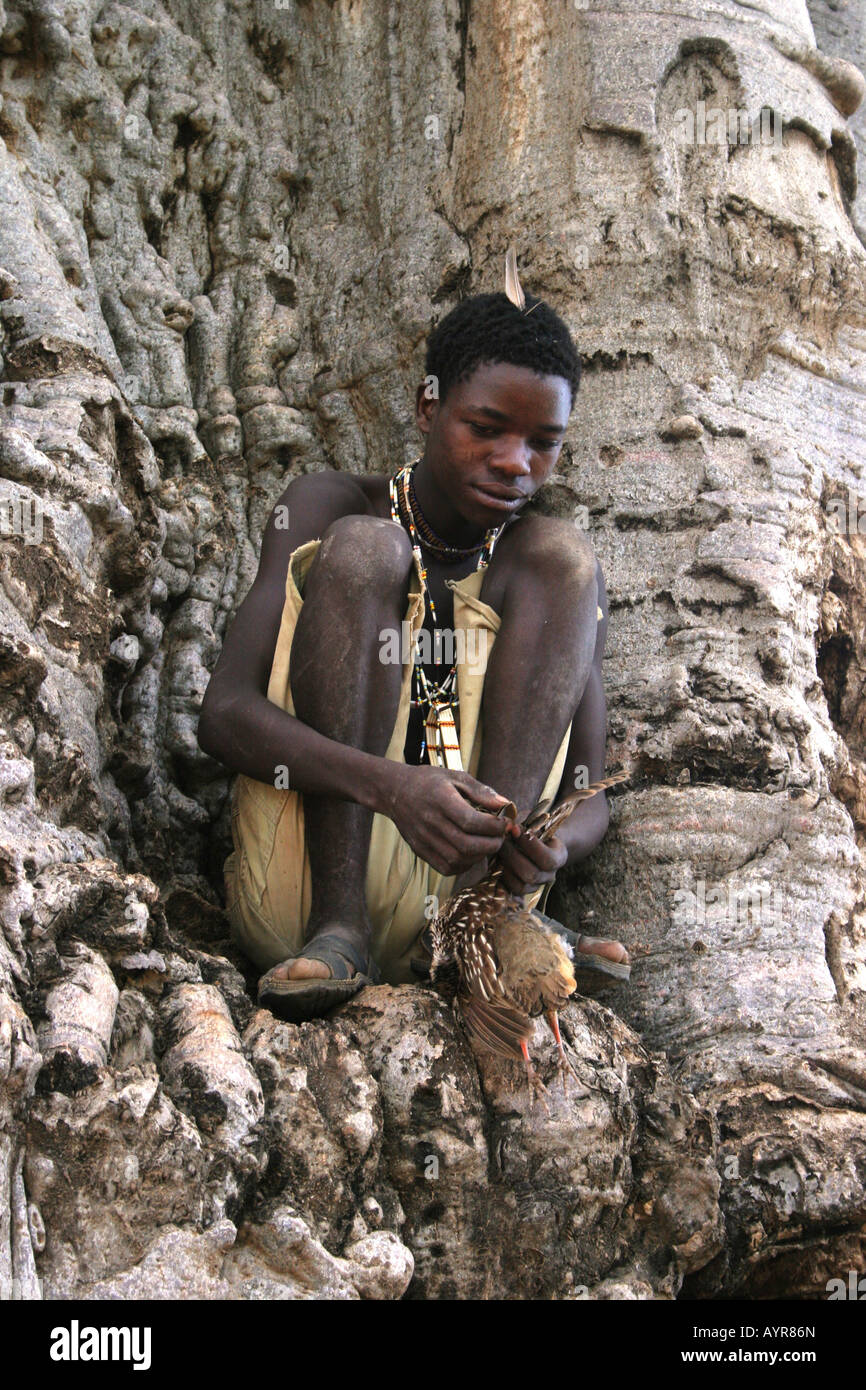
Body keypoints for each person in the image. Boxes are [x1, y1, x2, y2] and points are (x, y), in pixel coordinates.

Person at [197, 276, 629, 1022]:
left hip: (477, 904)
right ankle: (344, 928)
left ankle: (488, 923)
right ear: (429, 407)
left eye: (542, 443)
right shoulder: (326, 506)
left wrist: (553, 846)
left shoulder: (545, 574)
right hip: (304, 892)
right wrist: (391, 786)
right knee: (366, 550)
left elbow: (591, 792)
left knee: (569, 559)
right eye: (486, 427)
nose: (514, 461)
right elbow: (224, 716)